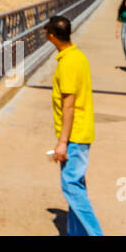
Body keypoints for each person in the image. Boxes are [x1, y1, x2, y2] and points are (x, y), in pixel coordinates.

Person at [45, 14, 103, 236]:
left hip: (74, 136)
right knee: (76, 185)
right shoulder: (77, 56)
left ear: (51, 35)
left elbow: (68, 106)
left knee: (71, 187)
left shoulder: (67, 63)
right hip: (81, 131)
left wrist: (62, 142)